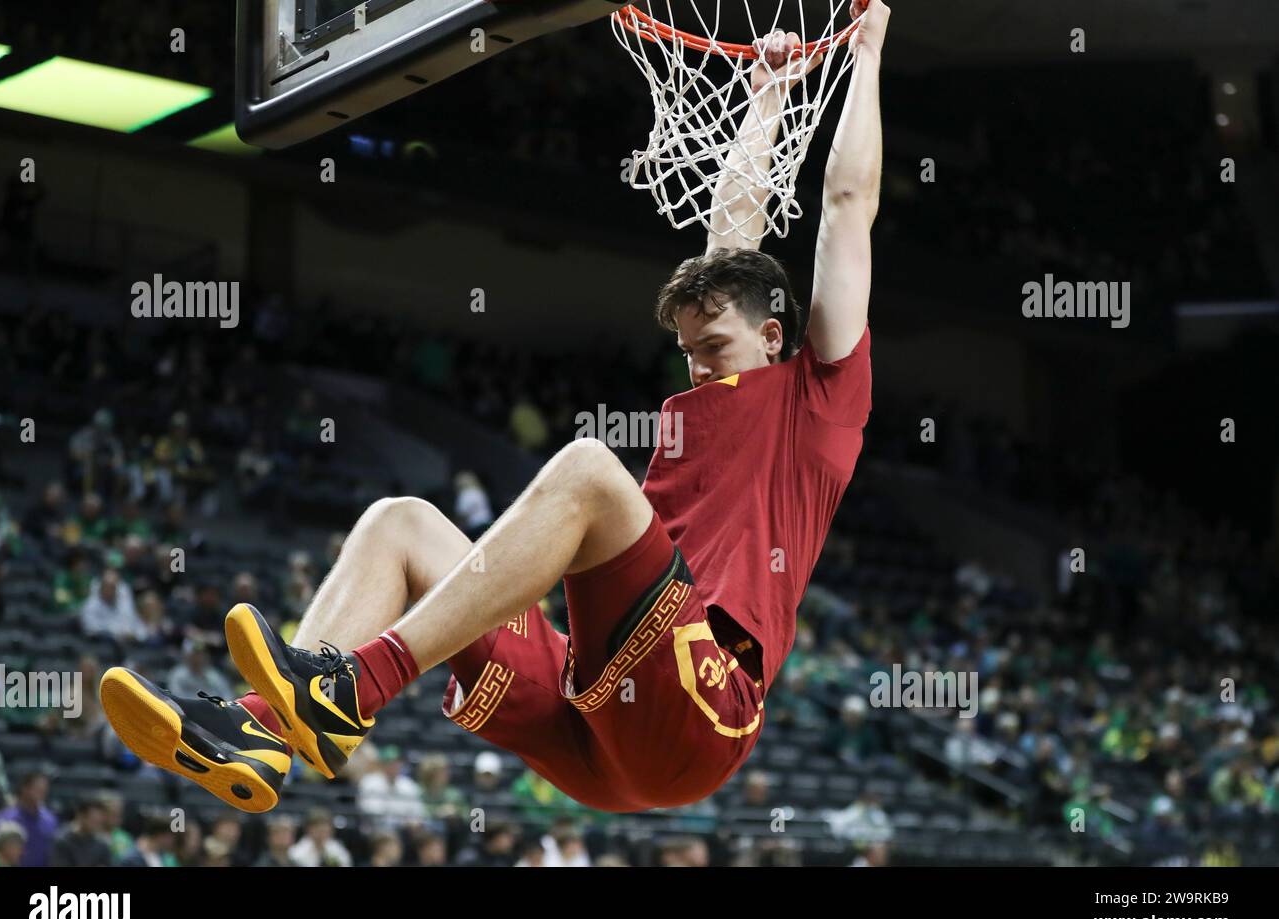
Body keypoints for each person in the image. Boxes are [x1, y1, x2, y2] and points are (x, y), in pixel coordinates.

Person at [99, 1, 891, 816]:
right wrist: (763, 101)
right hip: (599, 725)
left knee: (587, 469)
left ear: (771, 336)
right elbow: (731, 244)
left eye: (713, 349)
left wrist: (865, 54)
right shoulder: (714, 391)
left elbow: (845, 205)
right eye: (687, 352)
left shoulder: (822, 400)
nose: (695, 369)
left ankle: (358, 682)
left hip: (699, 712)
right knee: (397, 524)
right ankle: (263, 733)